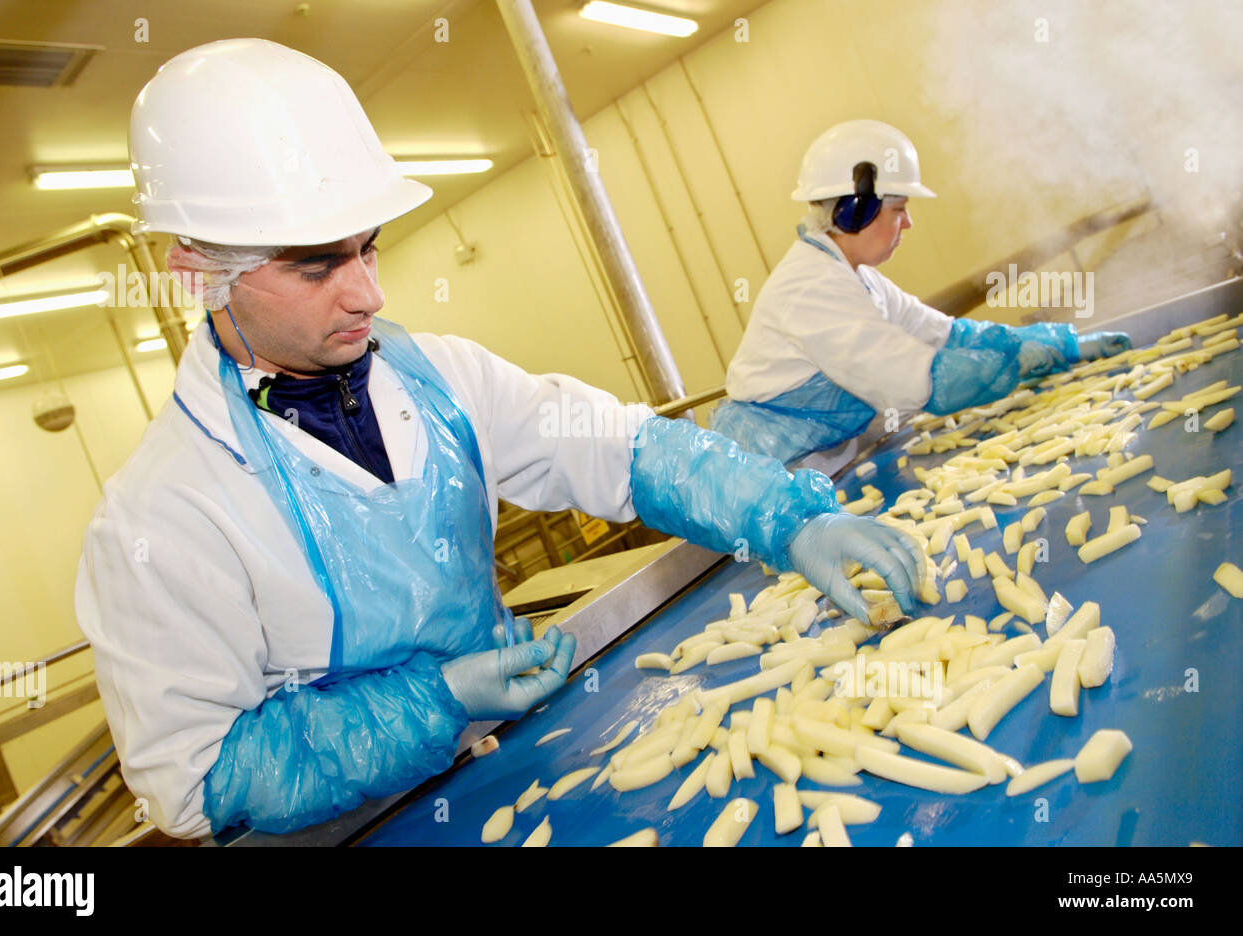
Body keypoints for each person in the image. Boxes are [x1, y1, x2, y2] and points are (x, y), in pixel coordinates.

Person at [74, 41, 925, 840]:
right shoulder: (164, 515)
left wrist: (785, 516)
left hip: (510, 772)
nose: (367, 294)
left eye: (369, 249)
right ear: (199, 271)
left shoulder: (441, 380)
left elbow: (621, 449)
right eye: (317, 266)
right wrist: (433, 702)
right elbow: (197, 778)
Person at [709, 119, 1131, 471]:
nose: (908, 223)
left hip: (831, 464)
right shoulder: (811, 289)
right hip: (777, 477)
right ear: (855, 211)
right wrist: (1014, 363)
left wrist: (1060, 344)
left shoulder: (857, 277)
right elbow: (921, 381)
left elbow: (945, 334)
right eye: (899, 209)